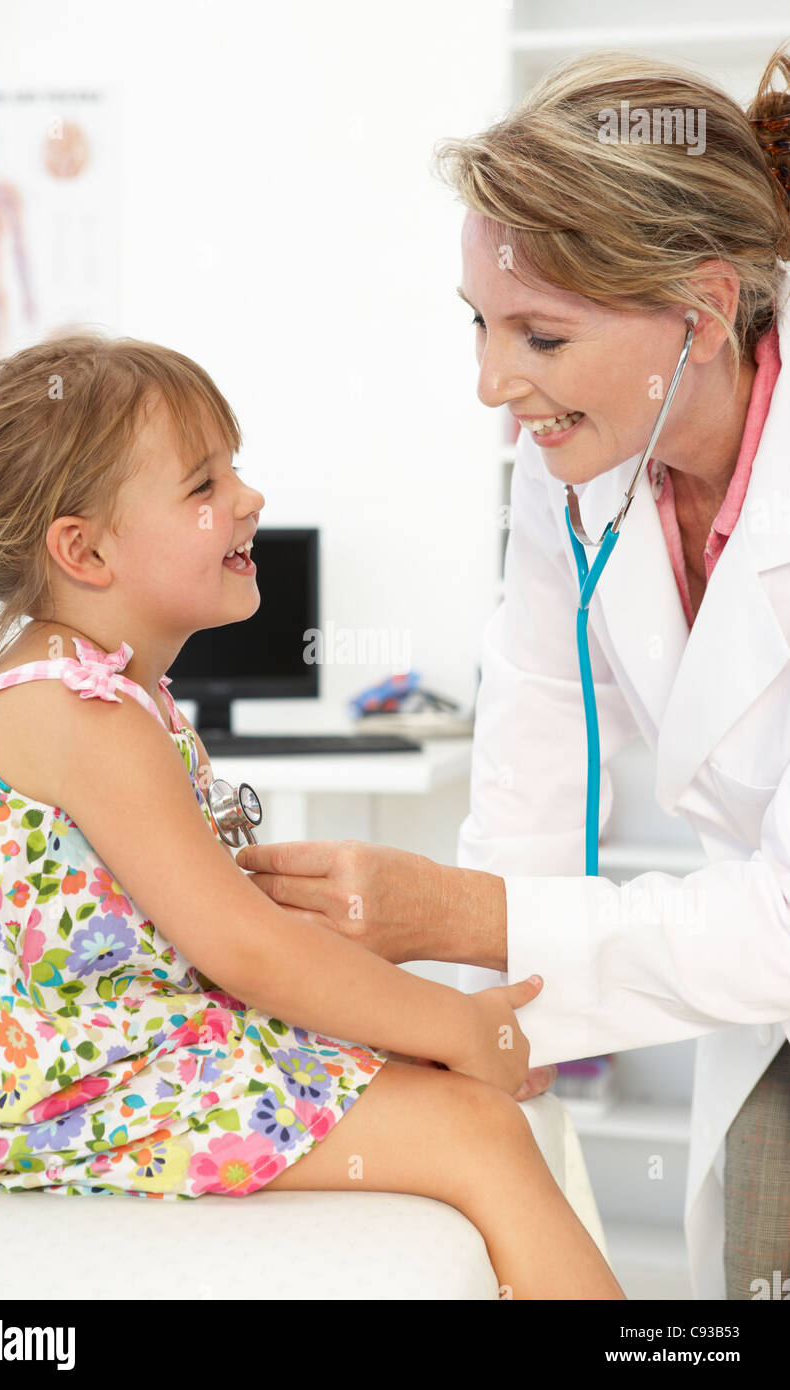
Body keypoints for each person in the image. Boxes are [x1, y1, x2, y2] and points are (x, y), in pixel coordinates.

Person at [236, 45, 790, 1302]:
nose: (493, 385)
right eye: (479, 324)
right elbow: (530, 752)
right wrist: (482, 1018)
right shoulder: (584, 465)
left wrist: (451, 917)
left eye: (540, 334)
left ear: (703, 313)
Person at [0, 327, 624, 1300]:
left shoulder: (89, 694)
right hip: (63, 1091)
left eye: (235, 467)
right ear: (84, 550)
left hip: (88, 1056)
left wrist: (414, 1027)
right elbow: (247, 951)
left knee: (428, 1078)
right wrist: (457, 1026)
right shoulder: (83, 713)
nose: (248, 498)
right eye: (202, 485)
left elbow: (198, 942)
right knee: (481, 1132)